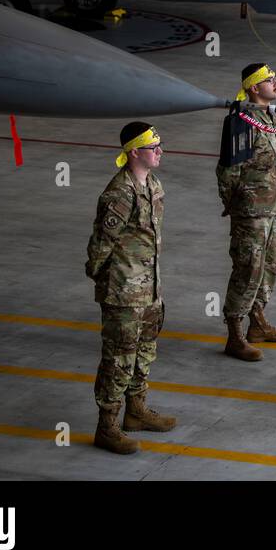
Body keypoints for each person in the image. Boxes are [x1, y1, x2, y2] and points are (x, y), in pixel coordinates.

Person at [85, 121, 177, 455]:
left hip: (149, 289)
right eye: (153, 147)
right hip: (123, 293)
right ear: (134, 152)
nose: (160, 152)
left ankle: (136, 411)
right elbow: (100, 247)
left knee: (144, 352)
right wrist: (107, 283)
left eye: (160, 145)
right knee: (118, 359)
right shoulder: (119, 194)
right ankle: (106, 426)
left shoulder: (153, 185)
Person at [217, 63, 276, 361]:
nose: (275, 82)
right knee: (247, 270)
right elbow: (228, 171)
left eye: (275, 77)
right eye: (268, 80)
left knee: (270, 267)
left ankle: (258, 322)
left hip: (273, 210)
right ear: (253, 88)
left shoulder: (269, 118)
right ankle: (235, 334)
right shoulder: (242, 122)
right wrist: (236, 206)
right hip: (251, 213)